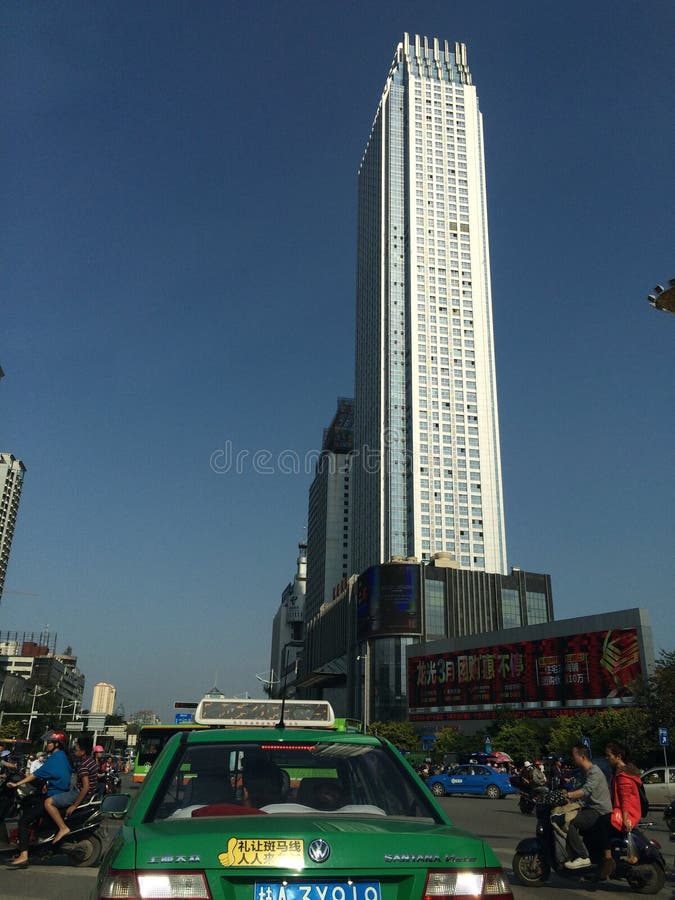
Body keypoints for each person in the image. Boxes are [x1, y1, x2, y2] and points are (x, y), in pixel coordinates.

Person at [5, 730, 72, 869]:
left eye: (50, 742)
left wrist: (17, 784)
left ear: (57, 744)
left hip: (54, 796)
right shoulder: (62, 757)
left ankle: (24, 855)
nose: (47, 745)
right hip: (57, 792)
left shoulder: (55, 758)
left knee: (23, 821)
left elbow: (35, 775)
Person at [562, 744, 612, 870]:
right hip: (591, 808)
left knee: (569, 821)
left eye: (574, 756)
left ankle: (582, 856)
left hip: (599, 811)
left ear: (582, 756)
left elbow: (585, 790)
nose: (573, 759)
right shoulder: (586, 772)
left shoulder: (594, 771)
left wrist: (567, 795)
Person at [43, 734, 99, 843]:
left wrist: (74, 805)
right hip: (84, 792)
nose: (74, 751)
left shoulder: (83, 765)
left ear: (83, 752)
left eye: (76, 749)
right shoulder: (91, 761)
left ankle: (63, 828)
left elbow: (85, 787)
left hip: (77, 793)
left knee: (48, 802)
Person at [601, 741, 643, 878]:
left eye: (609, 756)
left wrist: (625, 819)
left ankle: (608, 860)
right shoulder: (629, 771)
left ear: (618, 756)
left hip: (627, 814)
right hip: (631, 812)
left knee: (602, 824)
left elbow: (625, 800)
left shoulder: (623, 776)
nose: (607, 759)